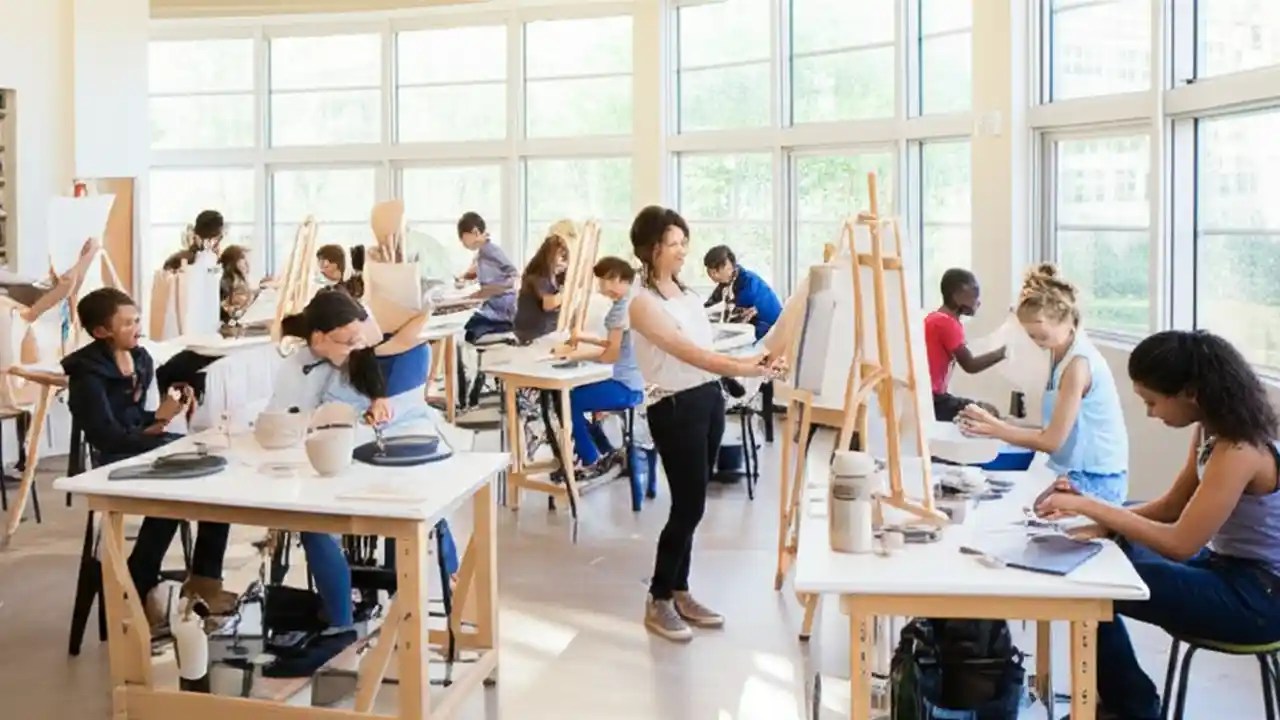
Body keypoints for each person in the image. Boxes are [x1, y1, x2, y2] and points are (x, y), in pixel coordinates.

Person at [1036, 330, 1280, 720]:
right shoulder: (1212, 431)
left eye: (1152, 402)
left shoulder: (1239, 450)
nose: (1150, 413)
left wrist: (1092, 507)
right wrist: (1105, 522)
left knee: (1097, 587)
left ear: (1190, 393)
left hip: (1259, 600)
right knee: (1108, 550)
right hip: (1227, 569)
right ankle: (1122, 702)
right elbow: (1170, 507)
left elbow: (1180, 543)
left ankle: (1131, 708)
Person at [627, 205, 782, 643]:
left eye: (683, 243)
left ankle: (680, 589)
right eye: (673, 244)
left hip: (707, 400)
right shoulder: (642, 303)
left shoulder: (690, 295)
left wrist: (756, 361)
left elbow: (705, 349)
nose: (682, 252)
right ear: (650, 249)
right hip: (674, 407)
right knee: (688, 505)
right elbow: (687, 353)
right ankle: (658, 597)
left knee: (695, 505)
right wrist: (746, 368)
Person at [268, 289, 457, 639]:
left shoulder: (363, 348)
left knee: (413, 508)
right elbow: (284, 420)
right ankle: (340, 622)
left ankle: (362, 616)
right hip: (330, 449)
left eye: (360, 338)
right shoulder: (299, 366)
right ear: (320, 337)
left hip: (376, 447)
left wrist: (378, 399)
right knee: (314, 521)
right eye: (348, 341)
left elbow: (402, 337)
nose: (357, 345)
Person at [61, 288, 236, 627]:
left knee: (216, 481)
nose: (137, 328)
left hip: (138, 447)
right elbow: (106, 435)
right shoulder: (86, 374)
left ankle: (203, 582)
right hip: (112, 461)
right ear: (102, 332)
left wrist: (162, 416)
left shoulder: (140, 358)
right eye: (127, 323)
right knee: (174, 494)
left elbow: (135, 419)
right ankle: (140, 583)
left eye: (137, 320)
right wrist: (157, 425)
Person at [958, 264, 1129, 505]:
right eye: (1030, 336)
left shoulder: (1077, 365)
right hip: (1071, 474)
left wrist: (996, 428)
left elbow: (1051, 441)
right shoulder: (1057, 353)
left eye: (1042, 335)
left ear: (1068, 321)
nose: (1037, 342)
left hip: (1096, 481)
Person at [553, 256, 646, 474]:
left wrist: (576, 357)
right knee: (576, 395)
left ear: (614, 278)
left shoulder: (619, 310)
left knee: (568, 400)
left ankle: (591, 458)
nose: (603, 291)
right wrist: (586, 340)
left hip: (626, 386)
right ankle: (604, 449)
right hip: (637, 381)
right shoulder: (638, 299)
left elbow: (610, 356)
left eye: (603, 283)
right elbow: (615, 344)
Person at [924, 268, 1007, 421]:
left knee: (982, 411)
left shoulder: (933, 318)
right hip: (933, 400)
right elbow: (970, 365)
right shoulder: (947, 323)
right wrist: (1004, 353)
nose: (978, 301)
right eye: (974, 294)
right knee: (988, 414)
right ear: (958, 296)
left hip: (928, 396)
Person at [456, 211, 518, 343]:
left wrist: (485, 292)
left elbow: (514, 277)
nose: (462, 243)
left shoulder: (490, 251)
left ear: (475, 232)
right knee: (465, 326)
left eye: (463, 238)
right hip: (493, 306)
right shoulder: (482, 254)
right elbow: (485, 272)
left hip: (503, 309)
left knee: (467, 330)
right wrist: (467, 276)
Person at [703, 245, 782, 341]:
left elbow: (735, 321)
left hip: (769, 334)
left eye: (716, 271)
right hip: (757, 332)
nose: (713, 276)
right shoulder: (728, 282)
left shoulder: (748, 285)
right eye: (710, 272)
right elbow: (709, 306)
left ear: (729, 267)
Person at [514, 231, 569, 344]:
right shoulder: (537, 276)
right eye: (562, 256)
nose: (564, 262)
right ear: (551, 255)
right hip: (531, 333)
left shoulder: (555, 277)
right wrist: (569, 293)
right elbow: (549, 304)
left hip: (543, 332)